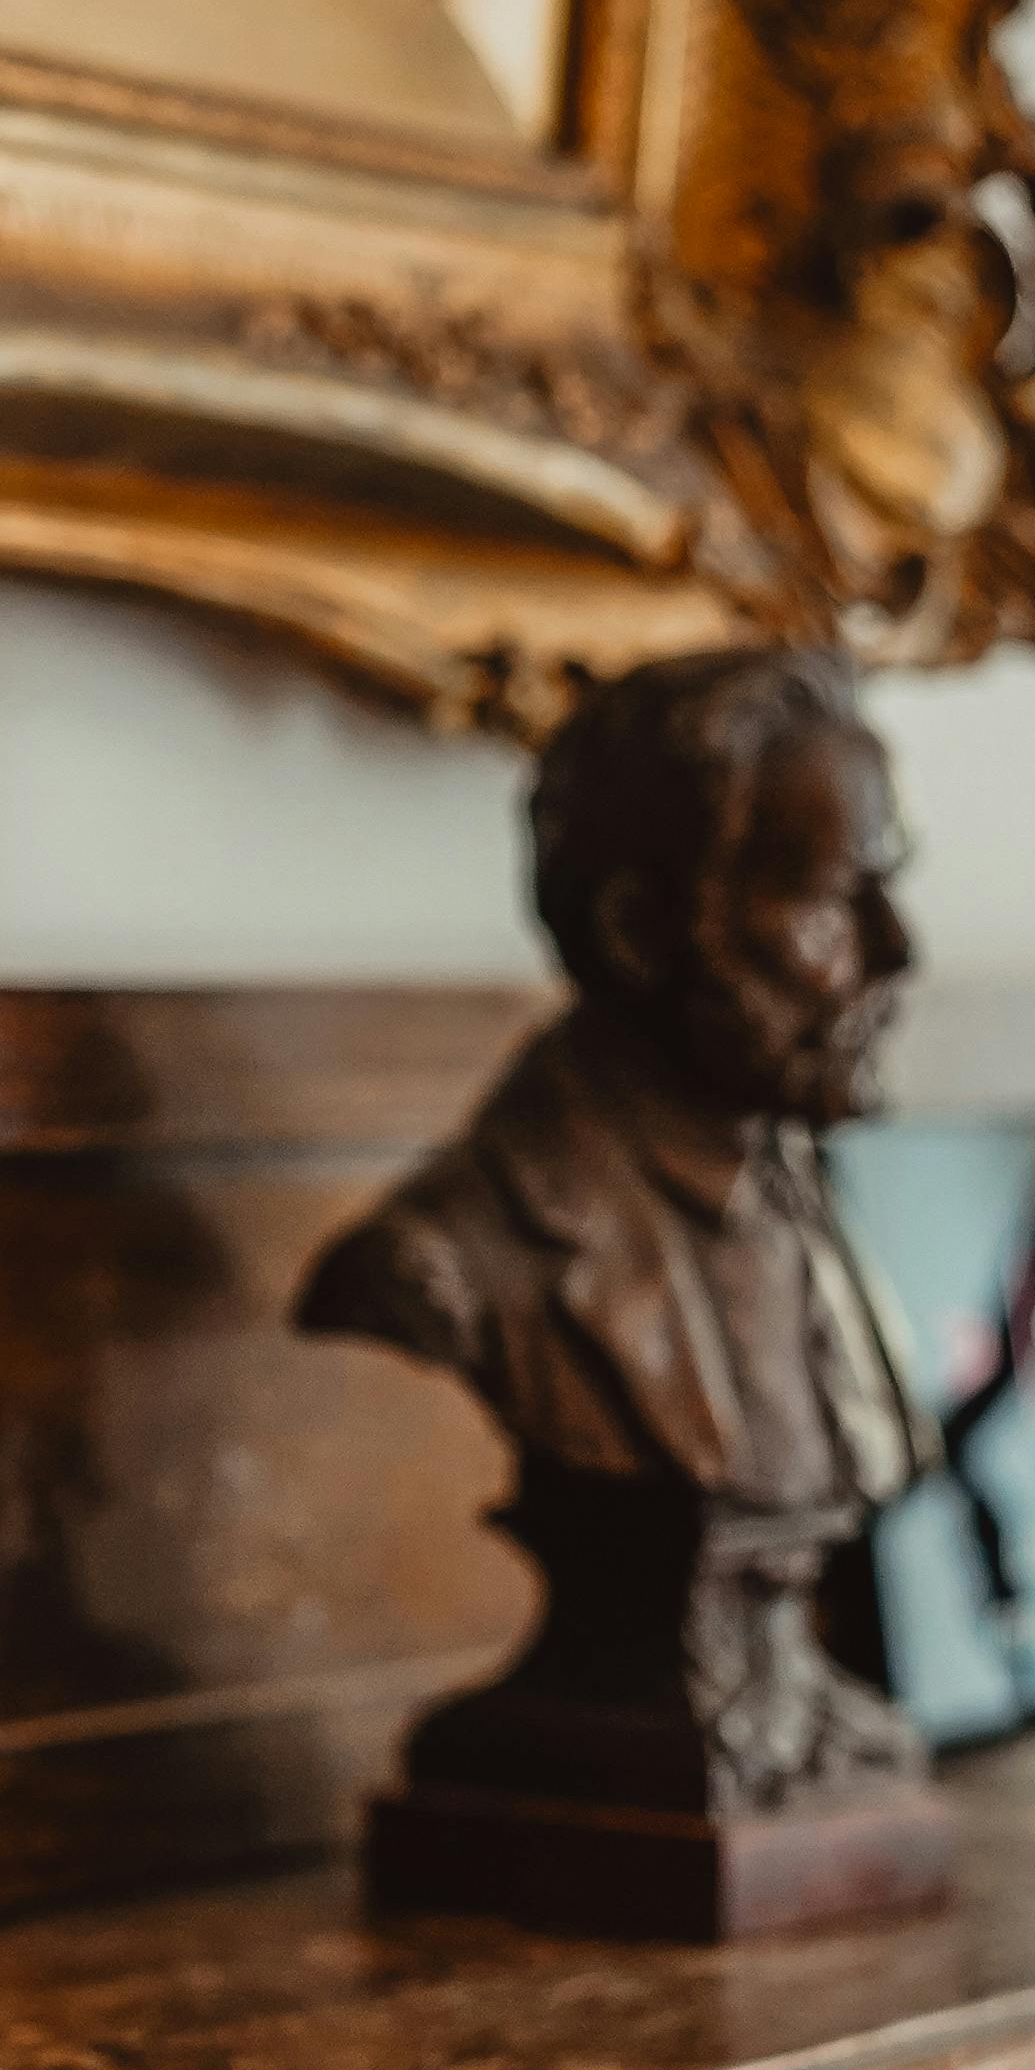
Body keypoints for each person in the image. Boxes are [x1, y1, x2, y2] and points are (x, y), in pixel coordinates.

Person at [302, 643, 930, 1526]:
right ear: (638, 932)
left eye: (889, 886)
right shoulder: (437, 1276)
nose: (900, 949)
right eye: (831, 900)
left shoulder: (800, 1191)